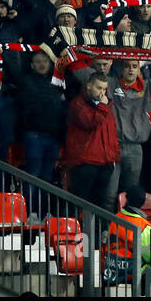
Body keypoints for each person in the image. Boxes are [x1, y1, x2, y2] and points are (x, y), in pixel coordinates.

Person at [63, 72, 120, 209]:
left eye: (104, 89)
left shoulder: (106, 107)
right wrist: (102, 106)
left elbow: (112, 132)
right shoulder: (78, 104)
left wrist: (114, 157)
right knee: (79, 201)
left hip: (105, 163)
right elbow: (88, 121)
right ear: (89, 86)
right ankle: (75, 230)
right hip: (85, 163)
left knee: (100, 203)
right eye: (98, 88)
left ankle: (98, 231)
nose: (102, 93)